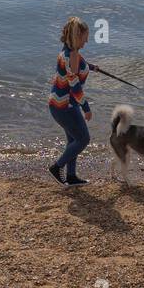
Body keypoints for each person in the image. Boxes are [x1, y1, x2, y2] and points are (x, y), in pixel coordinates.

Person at [47, 16, 94, 186]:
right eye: (85, 37)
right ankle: (56, 167)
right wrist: (86, 108)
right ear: (77, 36)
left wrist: (90, 66)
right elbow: (75, 88)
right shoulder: (73, 56)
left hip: (58, 103)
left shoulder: (67, 51)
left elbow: (73, 65)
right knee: (83, 140)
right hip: (65, 106)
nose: (87, 40)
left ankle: (72, 176)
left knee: (74, 140)